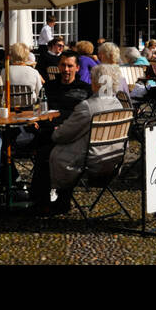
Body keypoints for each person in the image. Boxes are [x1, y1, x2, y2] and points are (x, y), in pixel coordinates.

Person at [38, 64, 128, 213]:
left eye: (92, 79)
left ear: (96, 82)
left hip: (90, 160)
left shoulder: (88, 106)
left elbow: (61, 135)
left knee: (45, 152)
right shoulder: (117, 104)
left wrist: (55, 131)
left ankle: (45, 202)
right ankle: (59, 200)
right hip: (113, 157)